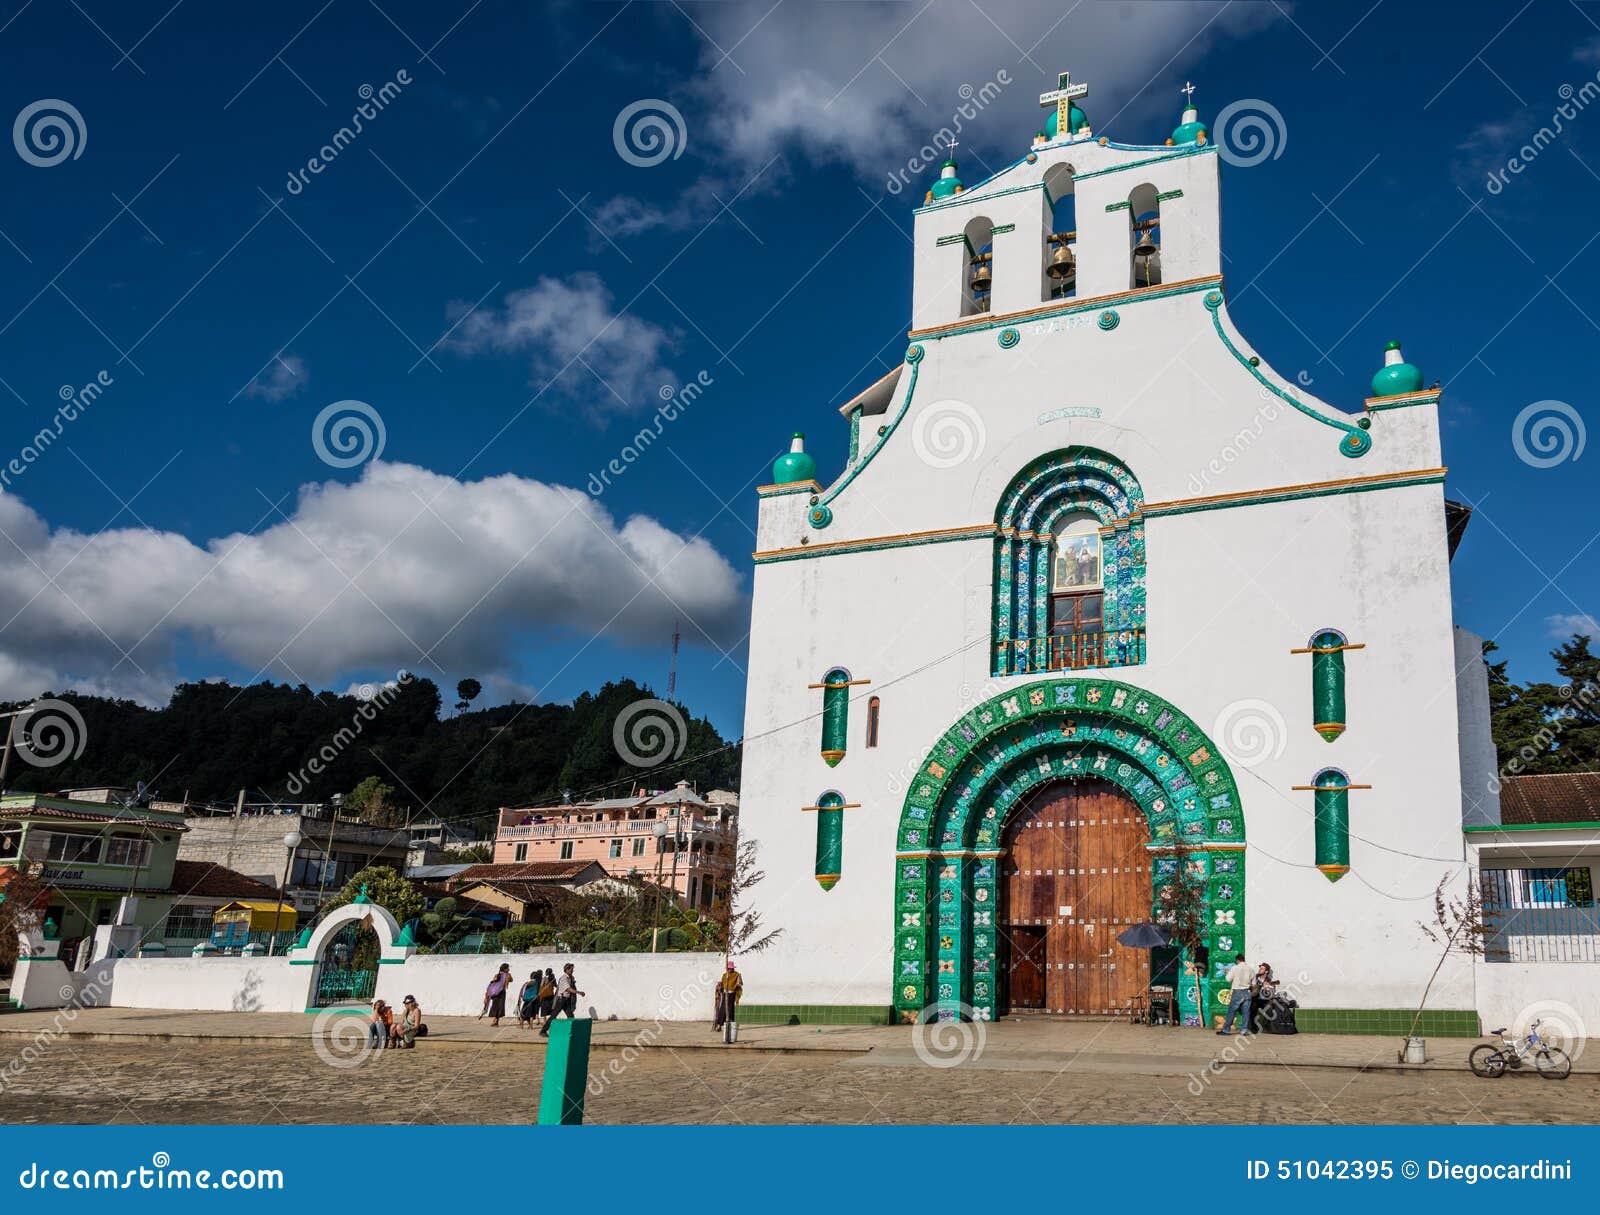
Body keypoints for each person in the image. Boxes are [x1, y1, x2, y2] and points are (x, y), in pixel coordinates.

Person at [539, 963, 584, 1036]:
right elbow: (568, 989)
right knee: (553, 1016)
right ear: (567, 969)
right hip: (561, 1000)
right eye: (571, 969)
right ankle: (543, 1031)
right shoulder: (564, 978)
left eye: (573, 969)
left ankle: (573, 1031)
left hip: (566, 1000)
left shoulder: (570, 977)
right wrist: (578, 992)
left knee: (570, 1015)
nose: (572, 971)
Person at [1217, 953, 1253, 1036]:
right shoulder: (1250, 969)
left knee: (1232, 1011)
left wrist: (1227, 972)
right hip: (1247, 992)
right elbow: (1253, 983)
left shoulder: (1235, 968)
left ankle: (1226, 1030)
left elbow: (1228, 979)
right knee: (1246, 1012)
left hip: (1237, 992)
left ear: (1237, 960)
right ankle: (1244, 1030)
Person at [713, 961, 743, 1032]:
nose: (730, 969)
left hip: (731, 994)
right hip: (725, 994)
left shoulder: (737, 974)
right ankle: (719, 1025)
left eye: (731, 968)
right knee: (722, 1009)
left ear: (733, 968)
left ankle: (730, 1025)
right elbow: (722, 984)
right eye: (729, 968)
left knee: (730, 1009)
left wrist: (738, 982)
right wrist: (719, 986)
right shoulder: (724, 975)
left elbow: (740, 983)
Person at [485, 962, 512, 1027]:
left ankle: (494, 1021)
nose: (509, 969)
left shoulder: (496, 975)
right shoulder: (508, 975)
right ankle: (496, 1022)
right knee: (500, 1007)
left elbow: (493, 983)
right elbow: (511, 980)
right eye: (508, 968)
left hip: (495, 993)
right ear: (505, 969)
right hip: (502, 993)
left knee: (495, 1006)